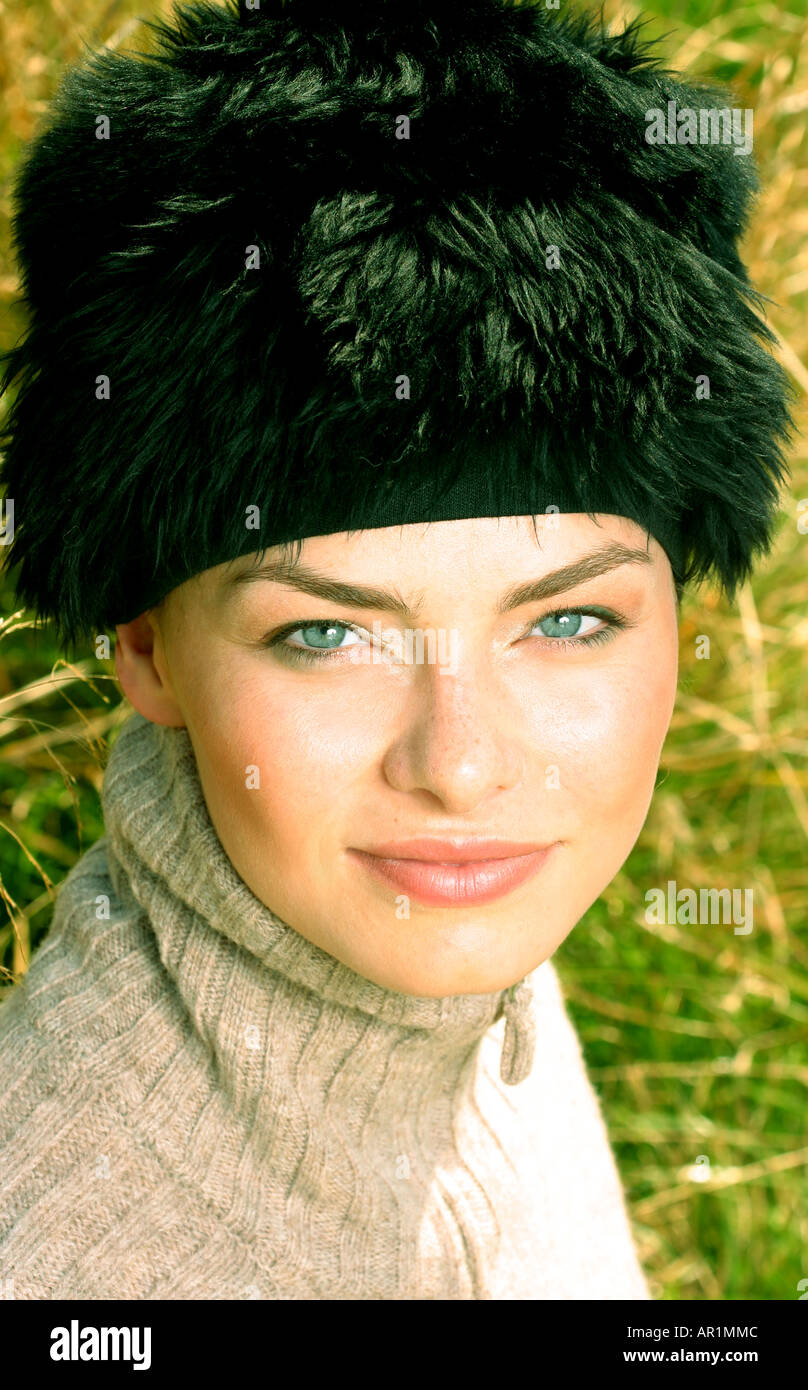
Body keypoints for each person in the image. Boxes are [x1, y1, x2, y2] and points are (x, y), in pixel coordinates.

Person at [0, 0, 794, 1300]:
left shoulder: (472, 975)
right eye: (325, 631)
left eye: (566, 620)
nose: (463, 767)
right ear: (142, 643)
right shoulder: (66, 1259)